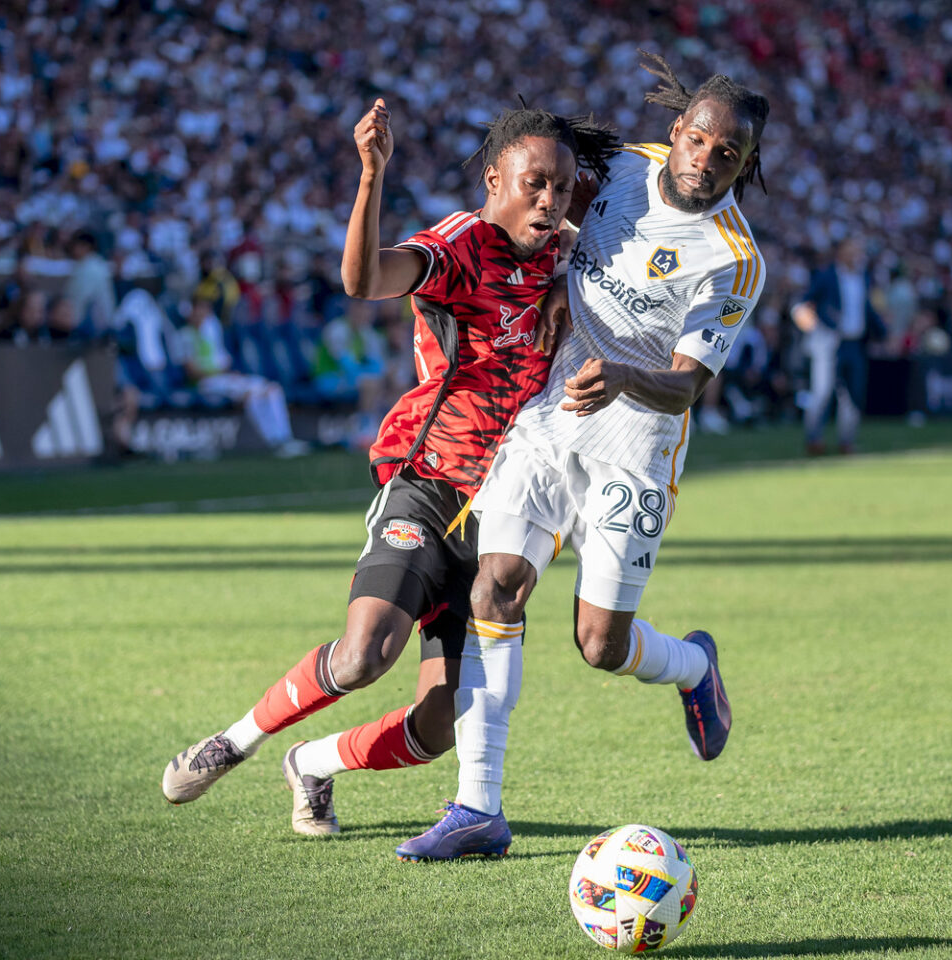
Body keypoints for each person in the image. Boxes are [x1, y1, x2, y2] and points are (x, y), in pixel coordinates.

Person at [160, 97, 618, 836]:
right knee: (365, 653)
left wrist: (569, 276)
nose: (549, 199)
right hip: (429, 482)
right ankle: (233, 742)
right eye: (534, 183)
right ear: (494, 179)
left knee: (439, 727)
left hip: (507, 511)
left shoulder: (567, 251)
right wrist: (372, 175)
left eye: (560, 188)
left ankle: (313, 762)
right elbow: (365, 278)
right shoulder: (461, 245)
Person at [396, 52, 769, 861]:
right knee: (496, 586)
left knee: (599, 644)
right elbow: (557, 218)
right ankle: (477, 809)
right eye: (698, 140)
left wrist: (625, 375)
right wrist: (564, 281)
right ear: (678, 130)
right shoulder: (625, 170)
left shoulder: (734, 259)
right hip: (551, 416)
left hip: (636, 446)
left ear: (745, 163)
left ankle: (692, 666)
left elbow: (686, 386)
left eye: (728, 153)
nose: (706, 160)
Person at [174, 293, 308, 458]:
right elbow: (192, 372)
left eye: (206, 309)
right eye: (199, 309)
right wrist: (220, 372)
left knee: (273, 389)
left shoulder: (211, 331)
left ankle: (286, 438)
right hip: (206, 384)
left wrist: (228, 373)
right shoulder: (183, 336)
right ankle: (274, 442)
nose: (203, 313)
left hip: (223, 379)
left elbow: (225, 362)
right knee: (252, 395)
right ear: (191, 311)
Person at [796, 235, 885, 455]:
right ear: (841, 252)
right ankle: (814, 439)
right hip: (830, 340)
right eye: (852, 249)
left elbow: (867, 308)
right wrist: (807, 320)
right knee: (823, 391)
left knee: (852, 394)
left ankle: (847, 441)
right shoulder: (827, 275)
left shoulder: (863, 277)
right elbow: (804, 303)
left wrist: (882, 332)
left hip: (855, 343)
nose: (857, 254)